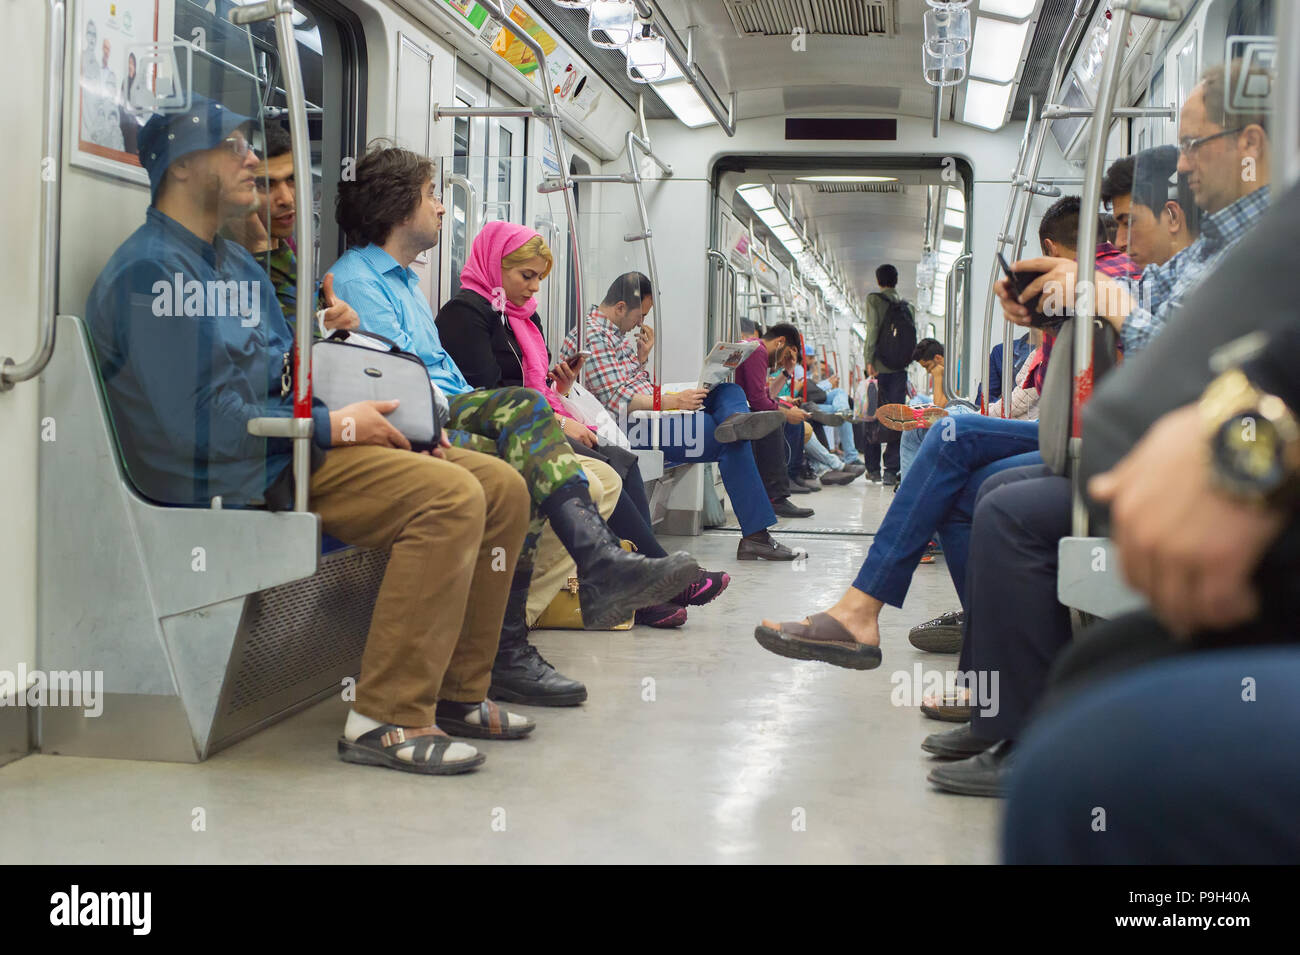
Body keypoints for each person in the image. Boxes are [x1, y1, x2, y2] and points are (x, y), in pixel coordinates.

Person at [86, 97, 536, 775]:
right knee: (450, 498)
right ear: (181, 171)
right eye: (232, 148)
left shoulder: (238, 267)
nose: (250, 162)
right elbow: (197, 427)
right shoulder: (153, 273)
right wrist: (335, 426)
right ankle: (384, 715)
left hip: (284, 443)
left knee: (499, 485)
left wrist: (400, 424)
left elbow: (282, 371)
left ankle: (456, 691)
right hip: (232, 469)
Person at [925, 63, 1274, 795]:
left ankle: (1025, 730)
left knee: (1008, 509)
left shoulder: (1262, 243)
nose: (1180, 164)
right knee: (993, 491)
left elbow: (1184, 351)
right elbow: (1139, 307)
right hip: (1145, 447)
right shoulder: (1214, 245)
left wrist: (1107, 304)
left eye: (1193, 144)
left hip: (1199, 468)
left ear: (1248, 142)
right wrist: (1052, 306)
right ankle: (1000, 715)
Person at [327, 144, 700, 705]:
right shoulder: (358, 280)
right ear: (398, 205)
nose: (441, 209)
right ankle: (578, 585)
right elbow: (392, 376)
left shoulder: (404, 282)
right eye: (432, 196)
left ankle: (525, 632)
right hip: (414, 413)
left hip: (448, 402)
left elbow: (443, 374)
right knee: (524, 417)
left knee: (525, 443)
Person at [753, 197, 1141, 671]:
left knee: (951, 433)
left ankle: (863, 612)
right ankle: (986, 657)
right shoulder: (1081, 294)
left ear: (1050, 247)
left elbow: (1061, 385)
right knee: (956, 482)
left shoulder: (1105, 276)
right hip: (1065, 428)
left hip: (1087, 437)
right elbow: (1043, 387)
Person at [435, 221, 732, 628]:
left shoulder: (524, 320)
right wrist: (557, 419)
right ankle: (661, 579)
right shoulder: (465, 315)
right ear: (495, 265)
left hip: (537, 418)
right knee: (607, 467)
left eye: (539, 277)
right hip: (504, 428)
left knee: (621, 461)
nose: (535, 287)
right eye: (527, 276)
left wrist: (561, 394)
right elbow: (487, 390)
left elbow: (534, 385)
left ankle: (644, 585)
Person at [565, 273, 804, 561]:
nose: (641, 323)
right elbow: (616, 401)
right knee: (730, 441)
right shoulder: (592, 335)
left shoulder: (614, 335)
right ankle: (756, 536)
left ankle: (737, 419)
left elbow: (629, 386)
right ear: (619, 307)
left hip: (648, 415)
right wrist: (672, 401)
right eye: (640, 315)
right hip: (629, 428)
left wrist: (642, 359)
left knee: (727, 390)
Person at [222, 120, 360, 335]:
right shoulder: (219, 267)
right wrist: (319, 328)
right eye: (265, 184)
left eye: (292, 179)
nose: (286, 199)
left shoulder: (287, 246)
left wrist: (331, 314)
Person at [736, 323, 817, 517]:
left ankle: (777, 491)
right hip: (737, 409)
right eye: (786, 356)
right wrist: (786, 414)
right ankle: (776, 497)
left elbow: (766, 395)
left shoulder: (755, 348)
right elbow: (758, 401)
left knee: (776, 415)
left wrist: (787, 372)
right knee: (773, 420)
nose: (783, 362)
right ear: (780, 342)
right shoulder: (758, 351)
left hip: (740, 406)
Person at [860, 264, 915, 485]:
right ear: (896, 280)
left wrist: (868, 359)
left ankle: (873, 469)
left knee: (872, 415)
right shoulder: (906, 307)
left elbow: (872, 330)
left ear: (878, 280)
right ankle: (891, 470)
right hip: (899, 370)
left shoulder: (874, 300)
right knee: (896, 418)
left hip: (879, 369)